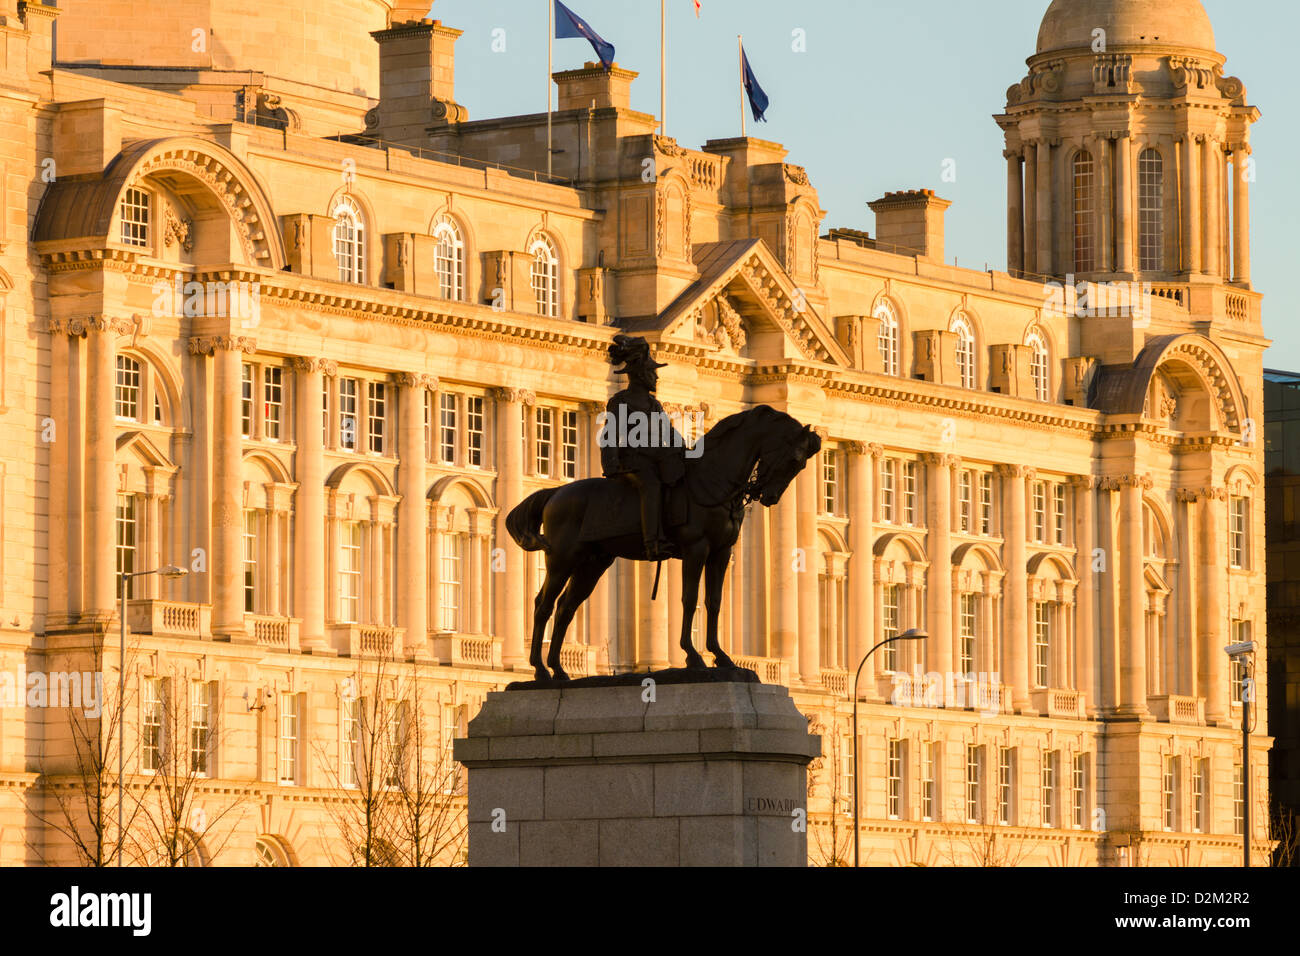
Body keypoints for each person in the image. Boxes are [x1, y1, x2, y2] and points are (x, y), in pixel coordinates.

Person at [601, 335, 686, 560]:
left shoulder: (654, 404)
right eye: (651, 372)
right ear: (639, 375)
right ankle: (652, 542)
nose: (656, 377)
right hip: (633, 463)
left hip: (656, 460)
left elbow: (669, 433)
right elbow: (609, 435)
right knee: (651, 485)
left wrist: (686, 450)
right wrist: (610, 465)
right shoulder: (621, 402)